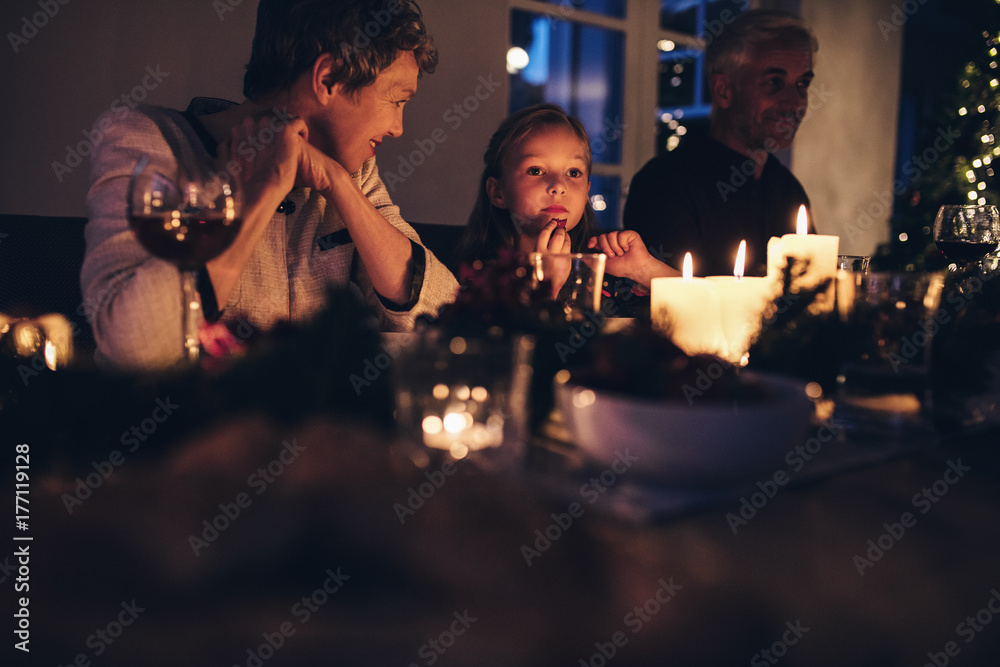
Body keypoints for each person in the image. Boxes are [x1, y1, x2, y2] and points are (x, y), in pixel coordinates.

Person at [81, 0, 458, 372]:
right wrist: (259, 195)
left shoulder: (352, 170)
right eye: (396, 100)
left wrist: (339, 185)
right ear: (327, 78)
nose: (398, 127)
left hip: (311, 428)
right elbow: (134, 347)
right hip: (187, 427)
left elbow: (444, 314)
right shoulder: (144, 142)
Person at [623, 9, 818, 277]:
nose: (795, 102)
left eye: (802, 84)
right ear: (724, 90)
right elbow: (675, 306)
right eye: (774, 82)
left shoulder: (787, 189)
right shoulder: (664, 184)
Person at [457, 104, 678, 306]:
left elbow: (707, 311)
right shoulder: (479, 284)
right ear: (498, 193)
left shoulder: (607, 274)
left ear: (586, 192)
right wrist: (546, 287)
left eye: (573, 173)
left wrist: (644, 269)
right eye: (536, 171)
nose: (559, 186)